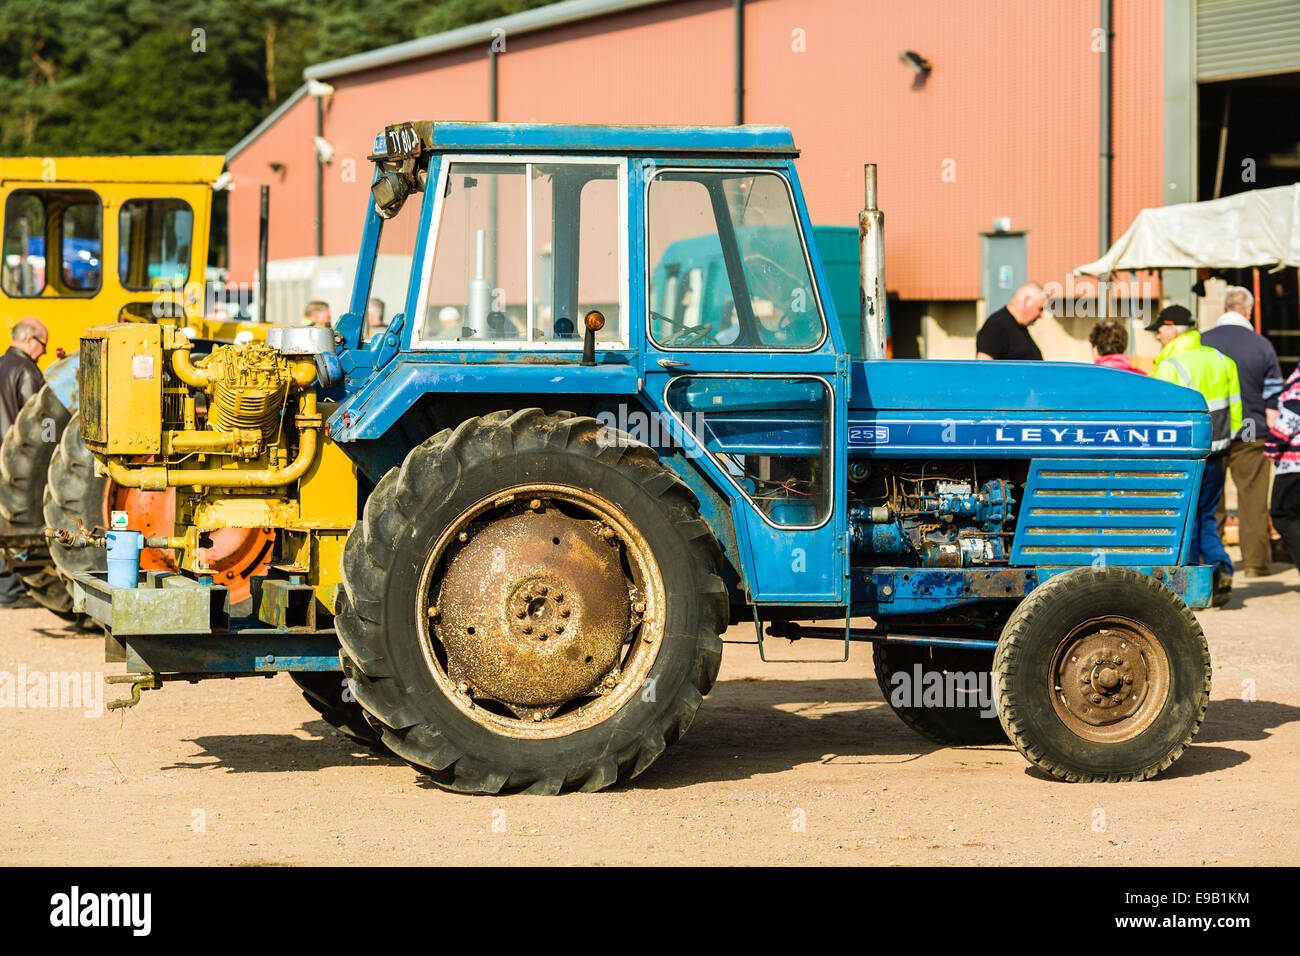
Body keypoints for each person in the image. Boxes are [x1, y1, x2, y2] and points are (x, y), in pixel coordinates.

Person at [1148, 304, 1242, 606]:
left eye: (1160, 330)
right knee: (1206, 516)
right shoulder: (1222, 360)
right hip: (1217, 453)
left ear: (1173, 328)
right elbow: (1237, 411)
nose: (1158, 336)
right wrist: (1224, 442)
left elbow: (1158, 419)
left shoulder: (1169, 366)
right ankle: (1220, 568)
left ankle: (1187, 587)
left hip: (1184, 459)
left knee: (1184, 519)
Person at [1201, 286, 1285, 577]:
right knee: (1252, 498)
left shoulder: (1203, 342)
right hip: (1251, 431)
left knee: (1212, 500)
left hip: (1212, 431)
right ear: (1248, 310)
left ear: (1225, 308)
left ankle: (1210, 563)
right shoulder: (1261, 345)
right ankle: (1254, 564)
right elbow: (1273, 397)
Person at [0, 318, 49, 608]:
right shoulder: (27, 371)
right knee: (14, 524)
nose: (43, 351)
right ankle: (9, 591)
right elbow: (40, 420)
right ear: (31, 340)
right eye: (43, 344)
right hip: (14, 461)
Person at [1265, 364, 1300, 573]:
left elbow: (1293, 412)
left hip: (1294, 462)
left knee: (1282, 515)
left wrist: (1271, 445)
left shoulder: (1297, 381)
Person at [976, 282, 1046, 360]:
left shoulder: (1019, 326)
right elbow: (983, 367)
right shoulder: (996, 325)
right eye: (1040, 309)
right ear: (1027, 301)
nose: (1041, 315)